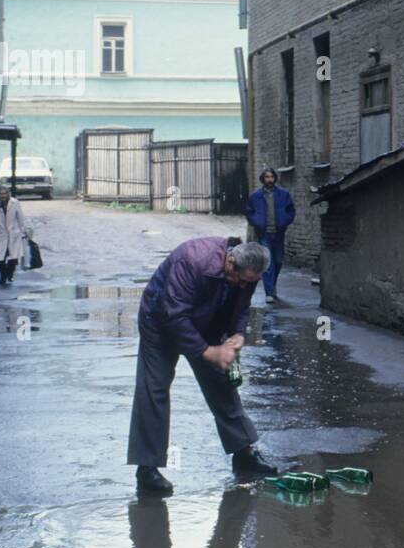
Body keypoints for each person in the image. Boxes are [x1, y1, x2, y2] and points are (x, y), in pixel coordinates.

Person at [127, 237, 278, 496]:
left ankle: (244, 454)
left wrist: (238, 334)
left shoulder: (247, 274)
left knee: (222, 382)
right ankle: (147, 470)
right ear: (230, 260)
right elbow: (174, 315)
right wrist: (207, 351)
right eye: (239, 279)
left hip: (205, 321)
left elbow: (242, 306)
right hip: (160, 324)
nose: (242, 285)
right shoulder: (192, 259)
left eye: (248, 283)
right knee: (154, 390)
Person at [244, 168, 296, 303]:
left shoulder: (284, 194)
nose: (270, 180)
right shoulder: (255, 196)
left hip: (278, 233)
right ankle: (269, 293)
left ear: (275, 178)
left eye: (272, 177)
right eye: (267, 177)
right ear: (263, 179)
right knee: (268, 263)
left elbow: (291, 211)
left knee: (278, 261)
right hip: (264, 234)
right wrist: (257, 223)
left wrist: (284, 222)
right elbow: (249, 212)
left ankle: (272, 286)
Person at [0, 183, 28, 286]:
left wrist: (23, 231)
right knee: (0, 257)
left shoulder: (15, 203)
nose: (3, 196)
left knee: (13, 257)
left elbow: (20, 218)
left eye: (5, 193)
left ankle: (10, 274)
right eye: (1, 194)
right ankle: (3, 275)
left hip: (13, 234)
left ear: (8, 194)